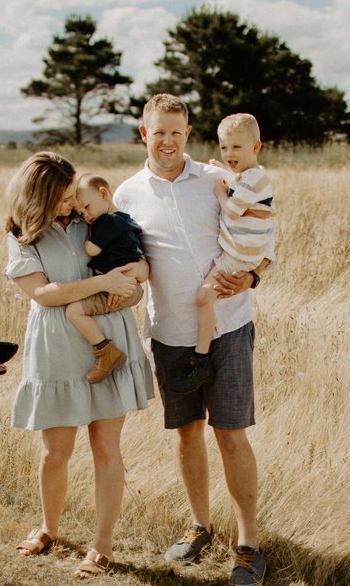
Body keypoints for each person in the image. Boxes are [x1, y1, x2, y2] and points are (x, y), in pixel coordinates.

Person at [115, 95, 274, 586]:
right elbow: (127, 258)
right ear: (144, 133)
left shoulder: (216, 179)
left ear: (188, 134)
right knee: (186, 434)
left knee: (230, 434)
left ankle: (248, 543)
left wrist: (253, 278)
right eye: (159, 131)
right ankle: (199, 524)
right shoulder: (126, 194)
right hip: (169, 334)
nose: (168, 140)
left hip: (227, 325)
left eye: (177, 132)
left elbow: (264, 236)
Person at [4, 151, 156, 580]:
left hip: (108, 337)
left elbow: (136, 263)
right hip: (56, 347)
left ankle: (102, 546)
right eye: (64, 198)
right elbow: (45, 294)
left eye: (74, 195)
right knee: (55, 452)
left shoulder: (94, 217)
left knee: (106, 448)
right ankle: (49, 528)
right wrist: (104, 282)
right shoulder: (20, 234)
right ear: (40, 197)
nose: (72, 204)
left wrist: (137, 273)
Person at [193, 113, 275, 373]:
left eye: (237, 147)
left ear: (256, 147)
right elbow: (241, 184)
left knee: (203, 298)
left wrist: (220, 192)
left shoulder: (254, 179)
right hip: (243, 253)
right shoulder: (251, 176)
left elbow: (232, 210)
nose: (229, 152)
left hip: (238, 257)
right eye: (225, 146)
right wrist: (227, 170)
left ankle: (201, 354)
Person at [66, 173, 146, 384]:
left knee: (73, 311)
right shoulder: (126, 219)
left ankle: (105, 351)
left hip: (120, 285)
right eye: (80, 213)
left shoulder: (107, 221)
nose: (85, 215)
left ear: (103, 193)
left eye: (86, 207)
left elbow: (91, 249)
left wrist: (85, 237)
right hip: (129, 284)